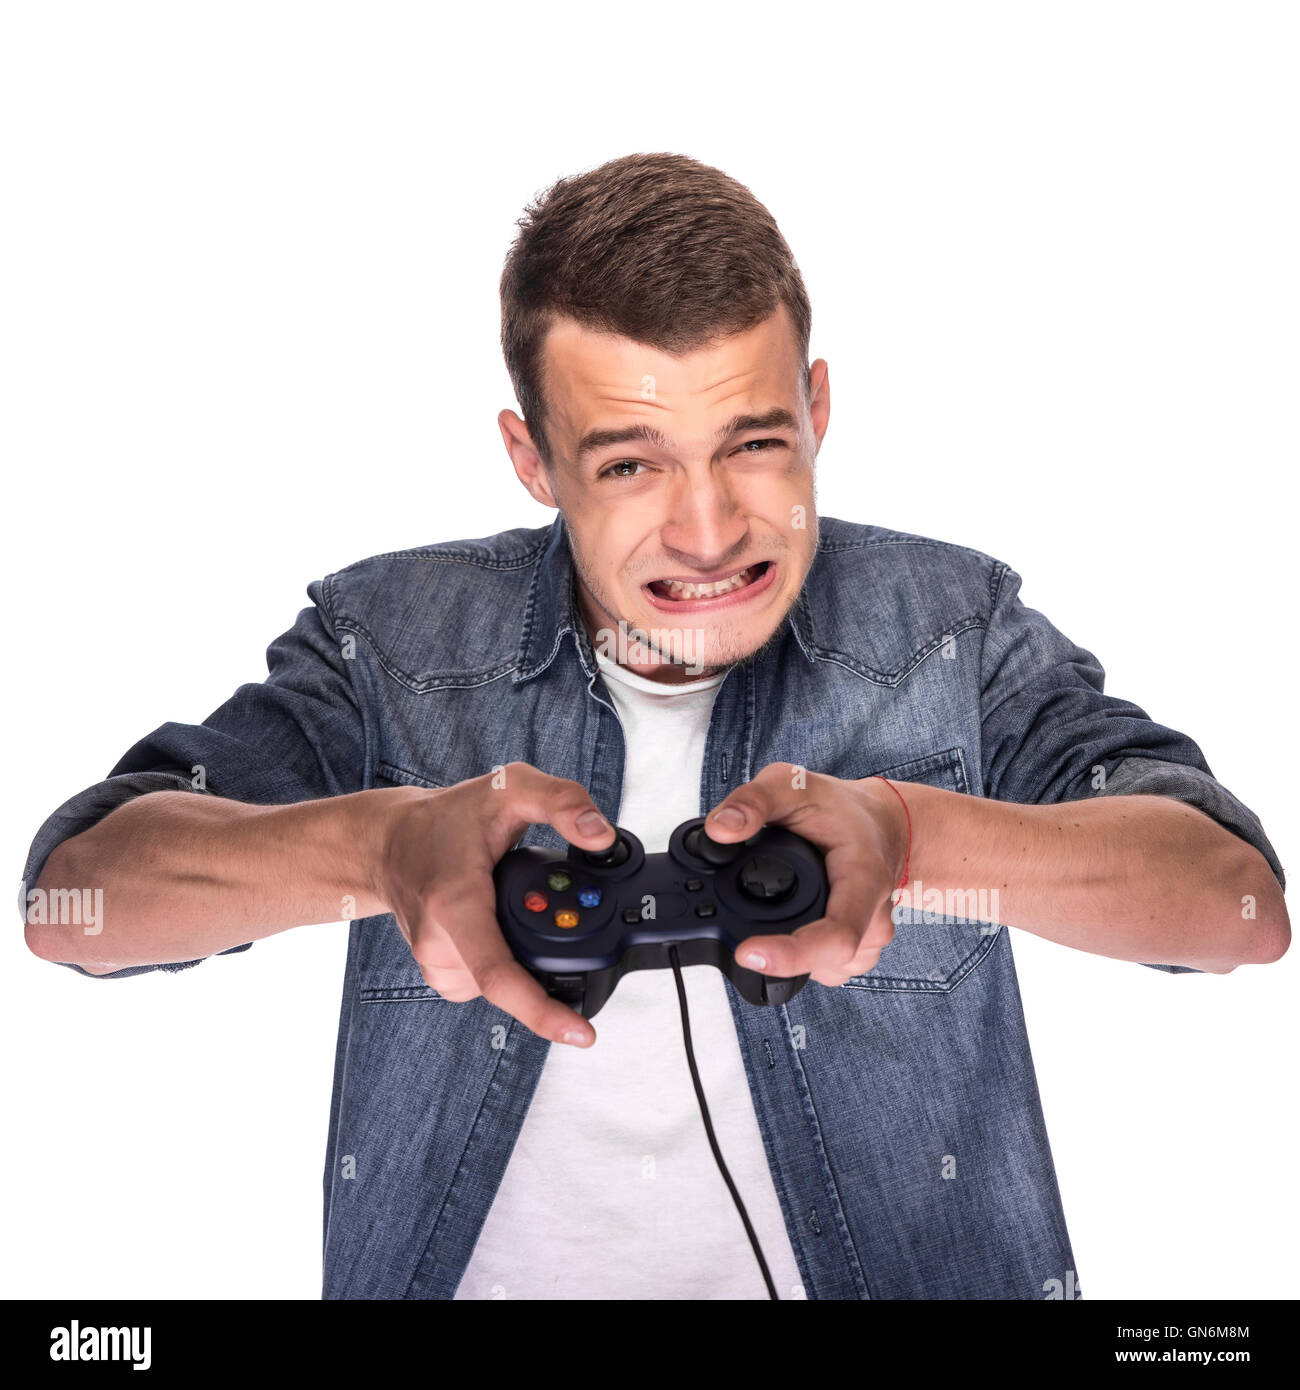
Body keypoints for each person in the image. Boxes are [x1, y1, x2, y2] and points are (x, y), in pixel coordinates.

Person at [22, 152, 1288, 1301]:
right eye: (629, 463)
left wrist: (909, 835)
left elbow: (1232, 902)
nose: (707, 529)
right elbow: (77, 902)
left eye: (753, 443)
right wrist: (379, 849)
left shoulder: (945, 622)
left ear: (820, 407)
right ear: (531, 456)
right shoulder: (394, 636)